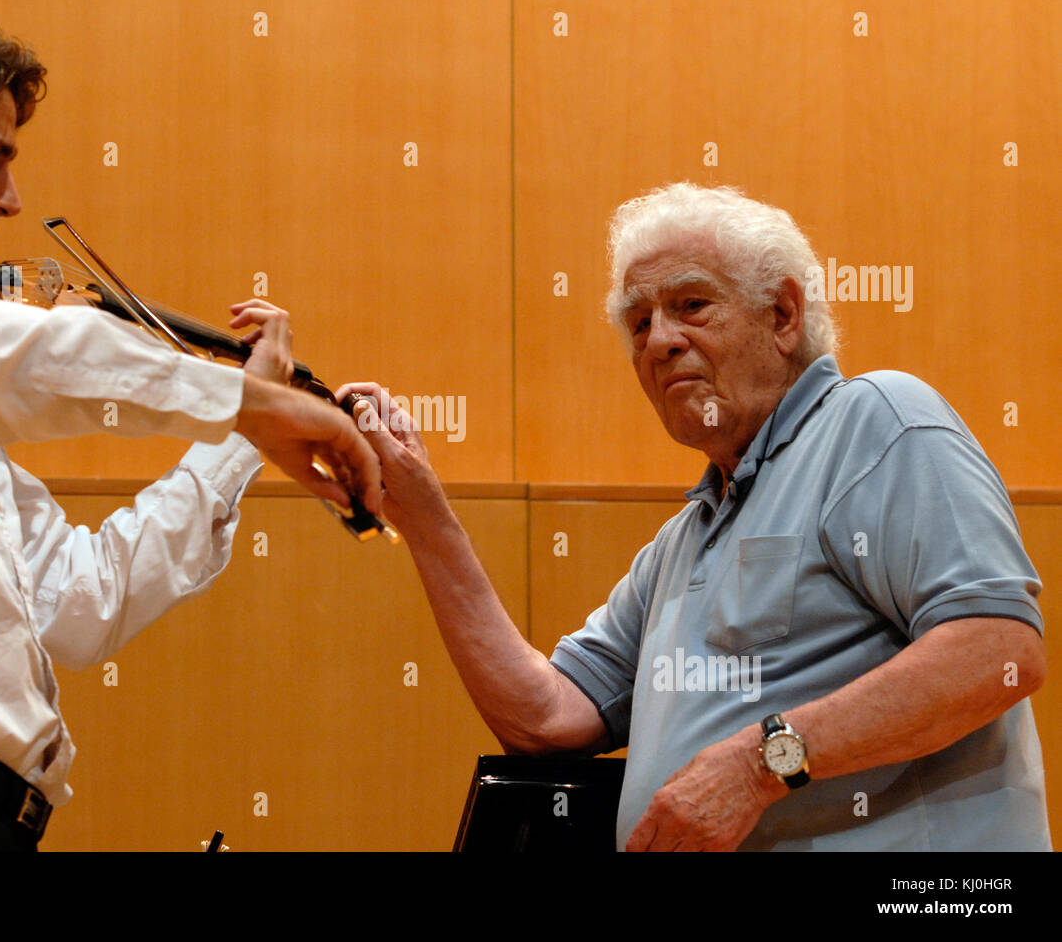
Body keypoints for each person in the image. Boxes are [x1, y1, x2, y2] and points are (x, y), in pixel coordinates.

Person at [0, 0, 380, 850]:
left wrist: (240, 438)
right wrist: (246, 402)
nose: (11, 200)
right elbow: (0, 350)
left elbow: (78, 603)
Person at [340, 182, 1050, 851]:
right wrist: (422, 513)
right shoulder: (684, 537)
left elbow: (999, 653)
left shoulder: (877, 421)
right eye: (640, 321)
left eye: (691, 306)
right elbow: (547, 718)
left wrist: (758, 765)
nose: (658, 341)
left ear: (783, 316)